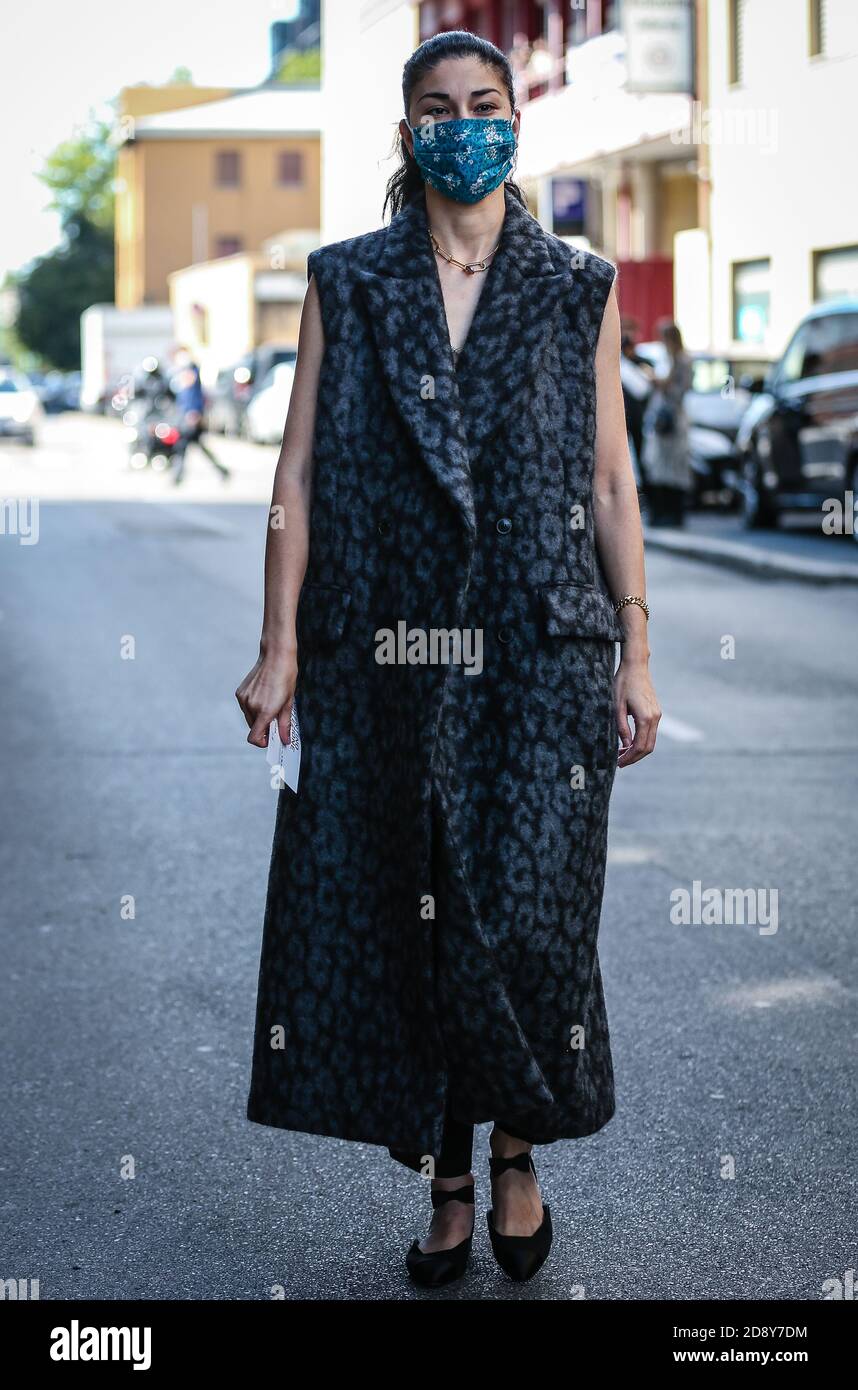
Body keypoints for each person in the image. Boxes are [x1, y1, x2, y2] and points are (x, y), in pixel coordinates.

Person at [236, 30, 661, 1289]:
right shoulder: (350, 281)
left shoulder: (576, 284)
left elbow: (612, 478)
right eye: (439, 107)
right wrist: (278, 648)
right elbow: (298, 471)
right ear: (407, 127)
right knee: (419, 921)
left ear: (515, 125)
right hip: (392, 655)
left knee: (534, 925)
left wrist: (639, 653)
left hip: (545, 656)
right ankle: (452, 1179)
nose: (463, 124)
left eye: (485, 105)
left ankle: (521, 1152)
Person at [640, 320, 692, 526]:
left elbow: (677, 389)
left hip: (673, 420)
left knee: (674, 467)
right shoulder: (667, 359)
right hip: (662, 418)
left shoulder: (681, 361)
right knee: (659, 465)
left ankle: (674, 513)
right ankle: (663, 512)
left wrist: (657, 381)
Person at [168, 346, 229, 484]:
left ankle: (177, 476)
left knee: (181, 446)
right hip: (185, 415)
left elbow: (193, 395)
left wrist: (194, 412)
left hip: (191, 416)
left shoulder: (191, 370)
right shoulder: (182, 371)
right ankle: (222, 470)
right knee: (198, 448)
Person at [619, 325, 653, 503]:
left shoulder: (640, 363)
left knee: (639, 454)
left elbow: (643, 390)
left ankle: (643, 491)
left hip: (636, 417)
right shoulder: (623, 364)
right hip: (628, 417)